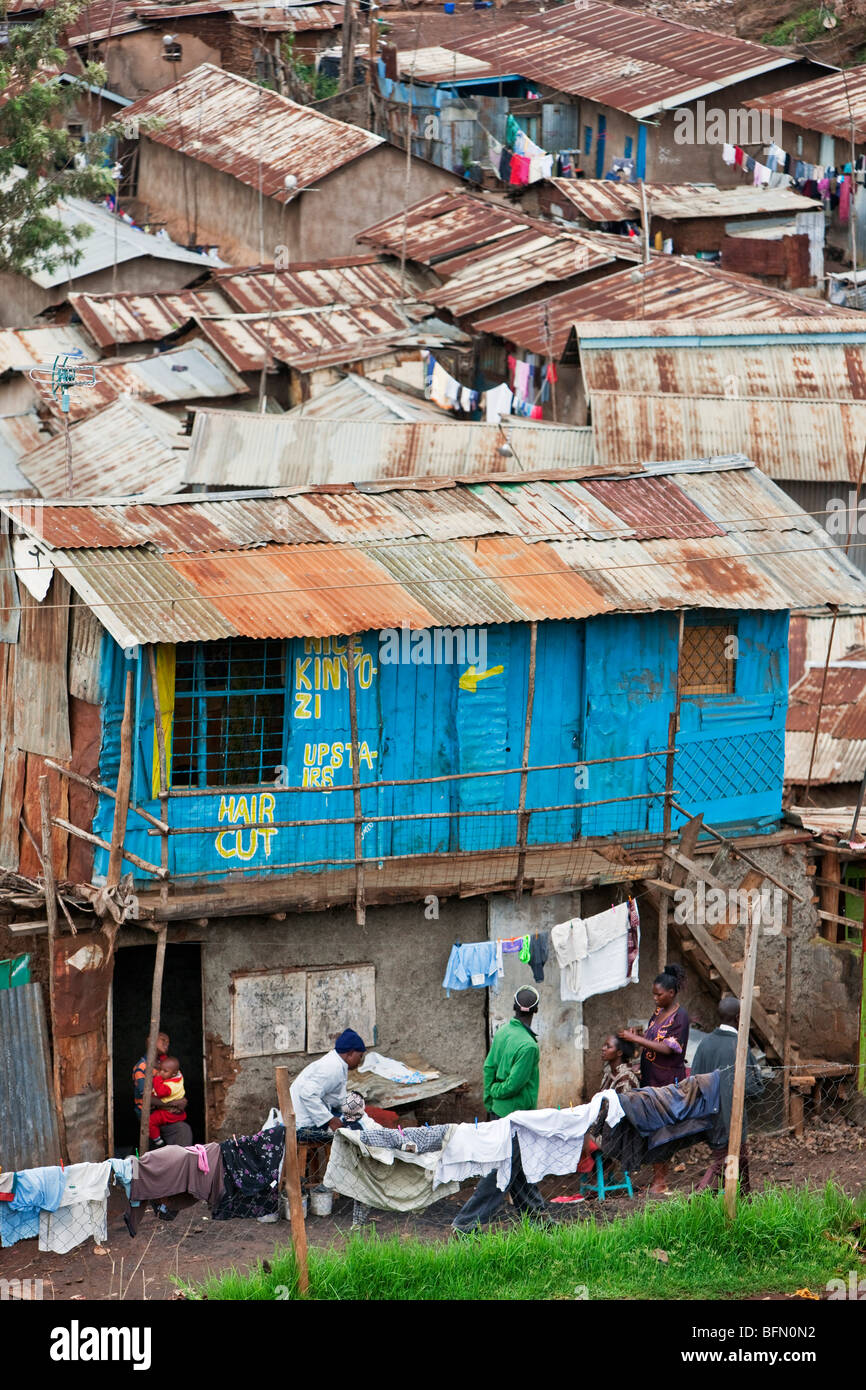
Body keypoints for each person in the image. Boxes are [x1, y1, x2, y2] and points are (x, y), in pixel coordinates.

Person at [451, 986, 548, 1233]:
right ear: (536, 1010)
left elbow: (488, 1068)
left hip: (498, 1112)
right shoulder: (528, 1047)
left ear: (514, 1008)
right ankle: (466, 1223)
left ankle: (540, 1221)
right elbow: (514, 1085)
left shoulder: (504, 1033)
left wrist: (488, 1098)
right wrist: (495, 1092)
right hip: (515, 1116)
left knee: (519, 1169)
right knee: (501, 1173)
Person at [618, 962, 690, 1195]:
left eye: (659, 995)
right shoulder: (658, 1013)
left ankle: (661, 1181)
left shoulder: (680, 1018)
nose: (655, 999)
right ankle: (656, 1178)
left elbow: (669, 1049)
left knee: (663, 1128)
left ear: (671, 993)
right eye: (653, 994)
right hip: (651, 1077)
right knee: (652, 1126)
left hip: (667, 1081)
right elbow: (653, 1041)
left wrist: (635, 1039)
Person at [691, 996, 764, 1198]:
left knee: (739, 1160)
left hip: (710, 1116)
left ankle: (745, 1200)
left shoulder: (705, 1044)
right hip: (732, 1117)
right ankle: (696, 1203)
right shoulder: (738, 1046)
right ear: (739, 1017)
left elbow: (694, 1081)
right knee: (724, 1163)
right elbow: (754, 1087)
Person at [290, 1029, 366, 1141]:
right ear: (350, 1053)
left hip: (306, 1115)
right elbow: (307, 1094)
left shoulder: (336, 1063)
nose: (360, 1061)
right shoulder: (332, 1067)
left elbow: (335, 1098)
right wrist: (330, 1120)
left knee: (356, 1117)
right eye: (360, 1056)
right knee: (356, 1131)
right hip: (302, 1124)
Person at [148, 1056, 187, 1145]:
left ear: (174, 1074)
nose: (161, 1072)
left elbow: (160, 1092)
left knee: (150, 1121)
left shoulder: (171, 1086)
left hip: (167, 1113)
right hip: (175, 1110)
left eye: (165, 1071)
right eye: (160, 1069)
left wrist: (157, 1078)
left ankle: (157, 1139)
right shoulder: (178, 1076)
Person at [133, 1030, 169, 1118]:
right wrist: (174, 1103)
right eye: (163, 1040)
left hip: (162, 1110)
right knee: (182, 1129)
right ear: (151, 1041)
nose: (166, 1044)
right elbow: (146, 1097)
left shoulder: (164, 1065)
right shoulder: (141, 1067)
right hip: (147, 1113)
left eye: (168, 1042)